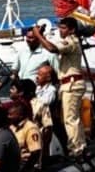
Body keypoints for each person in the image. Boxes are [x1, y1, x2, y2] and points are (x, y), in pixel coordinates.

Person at [31, 18, 86, 157]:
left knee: (70, 119)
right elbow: (50, 45)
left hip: (72, 84)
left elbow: (52, 48)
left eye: (63, 28)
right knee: (72, 118)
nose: (61, 30)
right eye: (60, 27)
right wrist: (42, 36)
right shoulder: (69, 41)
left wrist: (38, 35)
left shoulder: (71, 41)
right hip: (68, 84)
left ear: (72, 29)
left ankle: (77, 148)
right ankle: (78, 145)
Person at [7, 101, 43, 172]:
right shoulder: (12, 127)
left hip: (27, 166)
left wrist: (23, 171)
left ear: (20, 116)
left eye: (11, 115)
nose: (8, 117)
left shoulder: (30, 128)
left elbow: (35, 153)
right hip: (13, 164)